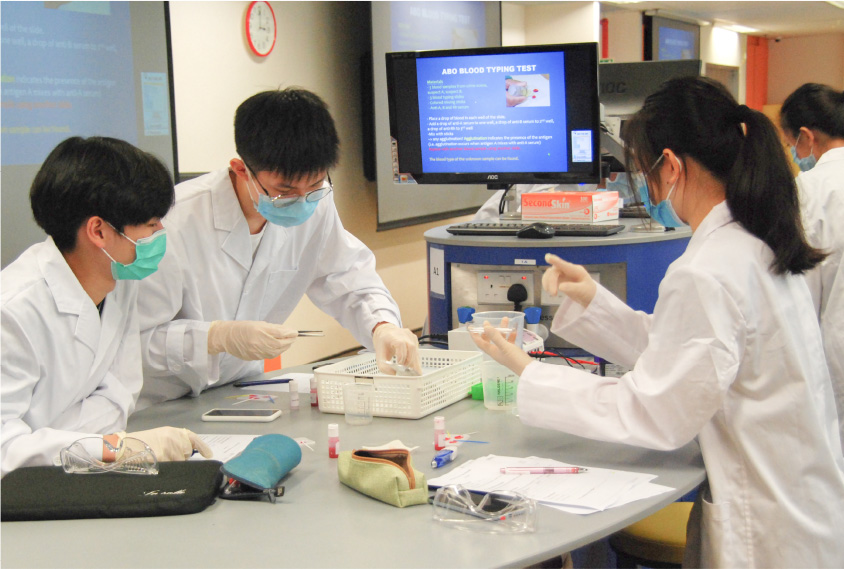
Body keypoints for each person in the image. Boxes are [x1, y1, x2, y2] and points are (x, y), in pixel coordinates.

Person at [471, 77, 844, 567]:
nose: (644, 190)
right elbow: (691, 352)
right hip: (803, 508)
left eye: (642, 173)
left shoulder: (708, 270)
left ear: (671, 166)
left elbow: (654, 411)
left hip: (768, 532)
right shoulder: (756, 243)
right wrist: (594, 301)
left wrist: (532, 373)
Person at [136, 88, 421, 408]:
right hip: (159, 401)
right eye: (284, 191)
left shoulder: (317, 204)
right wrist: (214, 338)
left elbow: (346, 277)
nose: (301, 201)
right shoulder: (172, 223)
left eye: (314, 186)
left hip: (239, 391)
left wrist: (382, 326)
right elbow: (134, 342)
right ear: (241, 169)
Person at [1, 137, 212, 477]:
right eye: (150, 223)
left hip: (75, 475)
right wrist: (111, 448)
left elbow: (121, 394)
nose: (160, 232)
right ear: (98, 230)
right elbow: (5, 448)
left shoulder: (118, 282)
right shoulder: (12, 311)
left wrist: (69, 440)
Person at [780, 83, 844, 448]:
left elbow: (799, 295)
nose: (793, 153)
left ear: (807, 137)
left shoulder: (809, 191)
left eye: (792, 144)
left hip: (833, 358)